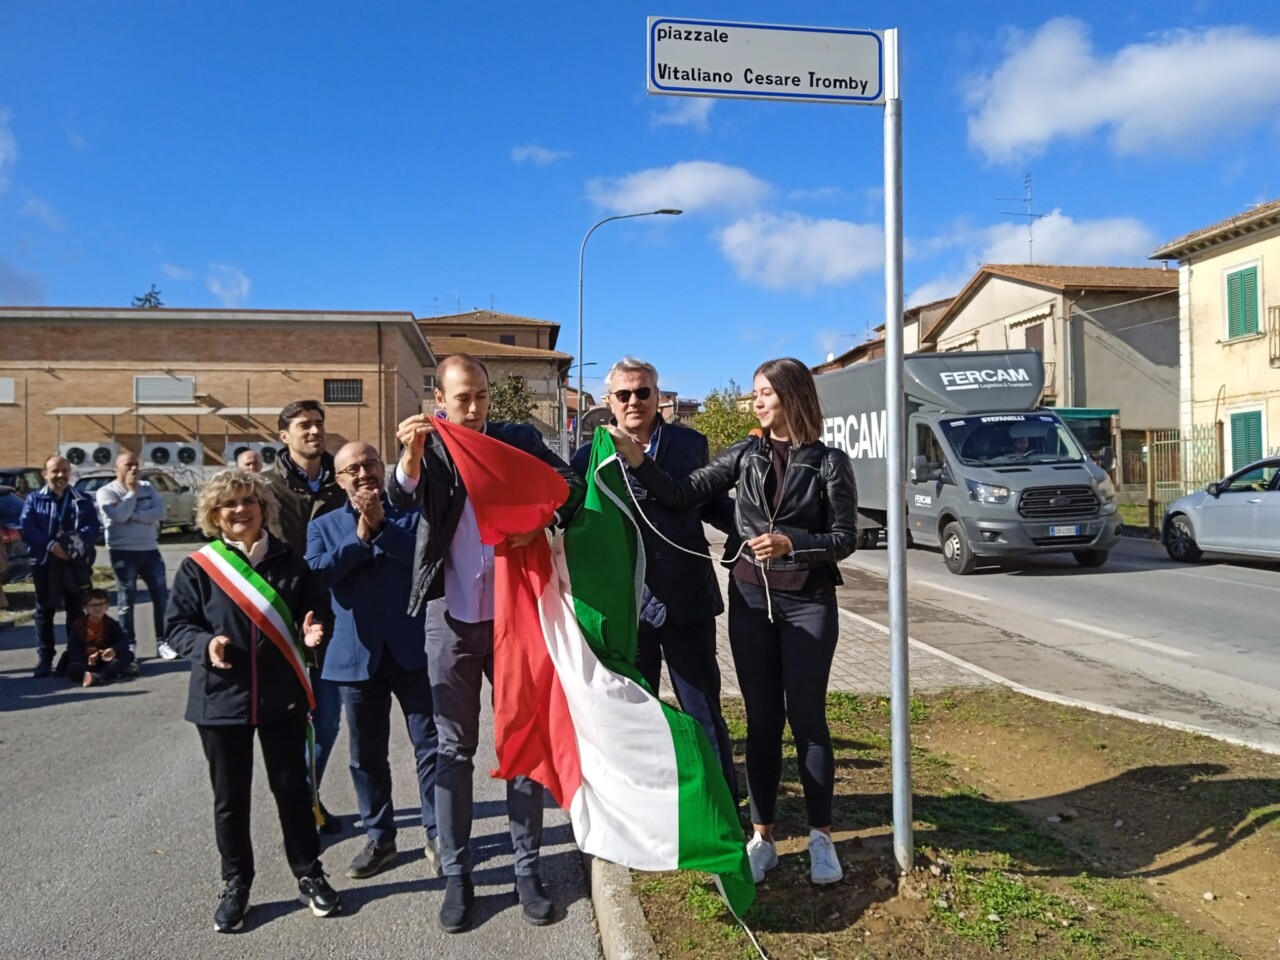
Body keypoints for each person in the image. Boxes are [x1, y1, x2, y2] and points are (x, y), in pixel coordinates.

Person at [610, 357, 857, 888]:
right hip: (749, 597)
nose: (758, 402)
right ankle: (762, 837)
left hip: (809, 601)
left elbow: (845, 538)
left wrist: (796, 542)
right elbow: (682, 493)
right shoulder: (745, 453)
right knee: (762, 720)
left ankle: (820, 837)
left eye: (766, 393)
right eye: (755, 394)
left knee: (808, 719)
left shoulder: (829, 462)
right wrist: (636, 460)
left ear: (793, 396)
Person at [387, 353, 584, 934]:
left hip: (514, 614)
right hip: (450, 617)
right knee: (452, 750)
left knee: (522, 742)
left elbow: (568, 486)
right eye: (461, 399)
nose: (472, 410)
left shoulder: (517, 437)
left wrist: (542, 518)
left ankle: (528, 870)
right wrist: (411, 455)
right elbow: (402, 500)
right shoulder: (432, 445)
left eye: (480, 397)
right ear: (439, 401)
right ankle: (457, 874)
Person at [164, 469, 341, 932]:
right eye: (229, 505)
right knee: (230, 799)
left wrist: (314, 631)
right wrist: (205, 645)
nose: (240, 510)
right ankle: (236, 883)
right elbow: (177, 626)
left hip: (281, 697)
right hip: (220, 700)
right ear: (214, 515)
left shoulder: (290, 561)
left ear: (264, 507)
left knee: (293, 791)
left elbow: (317, 612)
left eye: (248, 501)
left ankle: (309, 873)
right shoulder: (199, 567)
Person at [571, 357, 739, 802]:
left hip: (687, 598)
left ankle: (724, 802)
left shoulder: (689, 444)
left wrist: (753, 527)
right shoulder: (590, 455)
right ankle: (645, 802)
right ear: (608, 401)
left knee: (702, 706)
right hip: (628, 606)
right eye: (623, 394)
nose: (633, 402)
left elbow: (710, 502)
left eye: (642, 392)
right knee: (634, 712)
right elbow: (573, 512)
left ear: (658, 397)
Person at [306, 441, 440, 881]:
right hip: (355, 657)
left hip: (412, 650)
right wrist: (362, 536)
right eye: (351, 469)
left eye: (369, 465)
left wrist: (381, 527)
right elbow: (320, 574)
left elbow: (424, 564)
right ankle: (380, 836)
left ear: (382, 470)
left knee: (430, 746)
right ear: (339, 479)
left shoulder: (410, 514)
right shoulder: (323, 526)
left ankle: (438, 833)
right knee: (366, 754)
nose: (362, 474)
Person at [264, 400, 347, 833]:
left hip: (336, 620)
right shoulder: (266, 489)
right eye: (303, 426)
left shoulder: (342, 481)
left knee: (329, 719)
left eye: (318, 424)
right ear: (284, 435)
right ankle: (299, 807)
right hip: (283, 620)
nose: (313, 432)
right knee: (291, 722)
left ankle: (306, 798)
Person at [20, 455, 101, 678]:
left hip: (74, 564)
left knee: (76, 612)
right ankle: (45, 658)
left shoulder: (82, 499)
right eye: (55, 471)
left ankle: (73, 657)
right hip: (45, 563)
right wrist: (51, 545)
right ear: (45, 474)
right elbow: (28, 527)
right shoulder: (34, 499)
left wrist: (71, 544)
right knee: (45, 611)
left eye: (64, 471)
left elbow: (92, 527)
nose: (60, 476)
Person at [96, 450, 175, 662]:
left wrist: (135, 515)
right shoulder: (107, 492)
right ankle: (128, 643)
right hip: (123, 550)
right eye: (128, 465)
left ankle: (164, 641)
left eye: (136, 465)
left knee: (161, 597)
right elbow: (118, 516)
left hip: (149, 549)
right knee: (126, 600)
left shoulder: (149, 488)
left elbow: (160, 513)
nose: (133, 469)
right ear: (116, 468)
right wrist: (131, 493)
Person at [65, 588, 135, 687]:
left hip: (105, 659)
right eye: (93, 605)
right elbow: (72, 649)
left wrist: (114, 650)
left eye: (101, 604)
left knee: (128, 655)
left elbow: (123, 640)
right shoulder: (78, 626)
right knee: (72, 668)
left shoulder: (111, 624)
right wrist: (87, 659)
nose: (97, 608)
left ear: (107, 606)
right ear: (85, 608)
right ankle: (105, 674)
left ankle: (100, 676)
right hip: (86, 661)